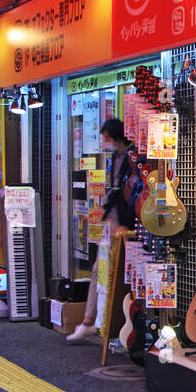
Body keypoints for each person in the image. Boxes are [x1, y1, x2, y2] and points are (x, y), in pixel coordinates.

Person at [68, 118, 139, 343]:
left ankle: (106, 324)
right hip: (115, 224)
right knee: (101, 271)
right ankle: (94, 321)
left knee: (116, 274)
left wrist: (123, 222)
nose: (104, 141)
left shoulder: (132, 158)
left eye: (107, 136)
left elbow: (131, 193)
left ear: (117, 135)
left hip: (126, 226)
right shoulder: (117, 158)